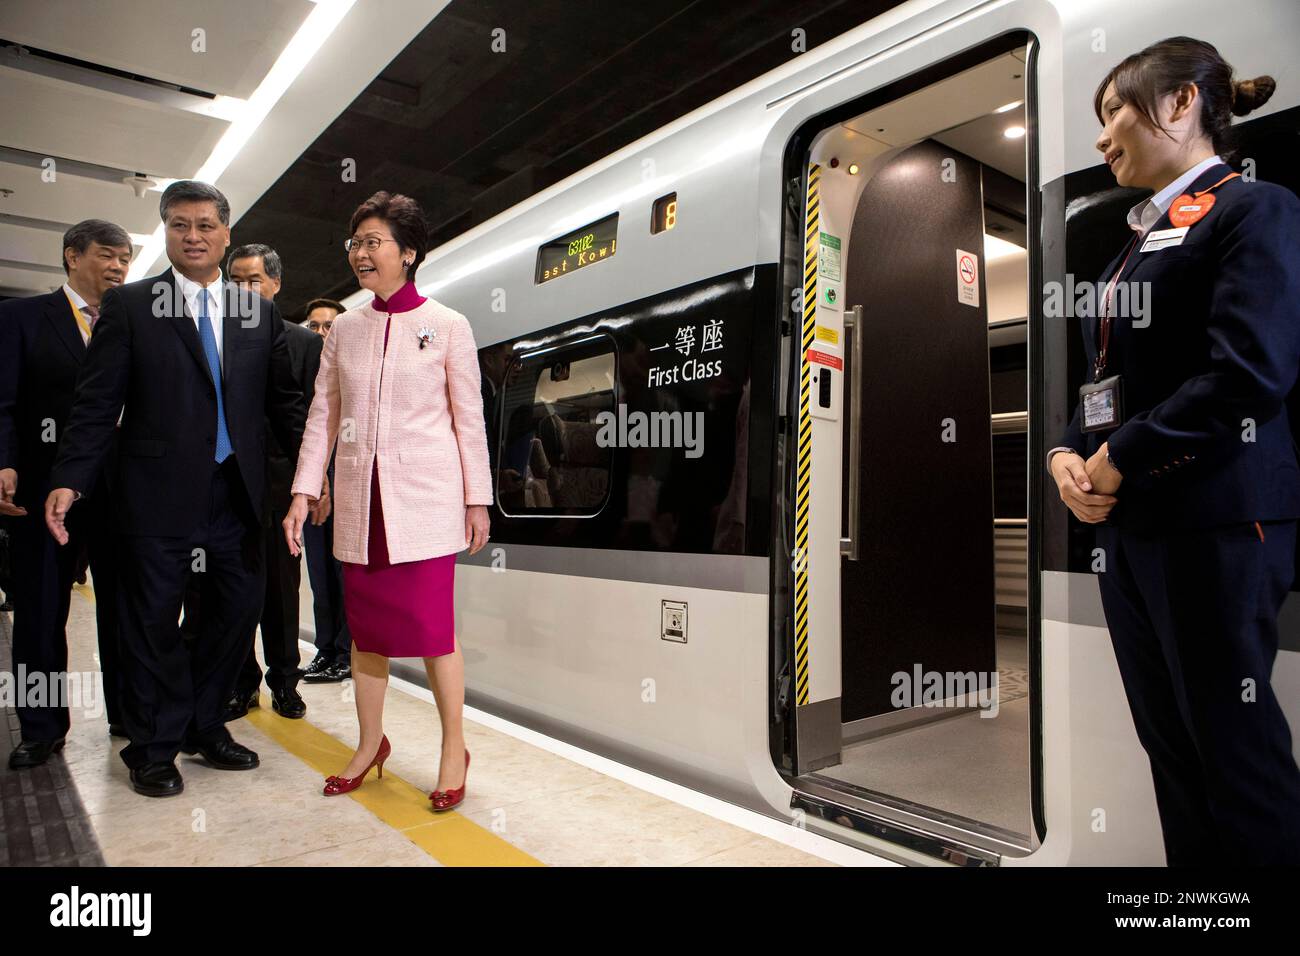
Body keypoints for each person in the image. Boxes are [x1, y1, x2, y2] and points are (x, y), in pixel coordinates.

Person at [1048, 37, 1300, 865]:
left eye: (1115, 109)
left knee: (1235, 759)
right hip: (1133, 532)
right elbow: (1108, 384)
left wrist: (1120, 457)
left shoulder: (1251, 210)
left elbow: (1249, 372)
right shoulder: (1131, 246)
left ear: (1183, 103)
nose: (1102, 135)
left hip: (1215, 522)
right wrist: (1066, 457)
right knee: (1173, 756)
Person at [45, 181, 307, 798]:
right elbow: (95, 403)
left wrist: (312, 474)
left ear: (225, 233)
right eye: (180, 226)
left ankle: (204, 723)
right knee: (152, 622)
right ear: (165, 231)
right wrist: (69, 478)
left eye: (206, 225)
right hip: (155, 496)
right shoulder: (133, 305)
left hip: (235, 496)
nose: (194, 237)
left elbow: (284, 403)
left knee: (234, 615)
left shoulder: (255, 311)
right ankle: (155, 746)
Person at [284, 191, 491, 810]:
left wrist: (476, 500)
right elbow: (323, 413)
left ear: (409, 252)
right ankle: (371, 742)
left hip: (425, 504)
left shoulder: (448, 325)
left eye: (374, 242)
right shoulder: (345, 329)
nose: (361, 253)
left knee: (434, 632)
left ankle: (454, 748)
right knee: (366, 635)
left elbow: (469, 420)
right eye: (356, 243)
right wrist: (303, 490)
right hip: (359, 503)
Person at [0, 220, 132, 767]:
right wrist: (4, 461)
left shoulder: (133, 322)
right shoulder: (21, 317)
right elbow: (3, 401)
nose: (119, 267)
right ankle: (42, 725)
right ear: (72, 257)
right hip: (41, 486)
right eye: (107, 255)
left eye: (125, 258)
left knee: (125, 608)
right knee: (39, 609)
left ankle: (129, 712)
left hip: (121, 490)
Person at [221, 244, 325, 720]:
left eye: (254, 281)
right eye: (235, 281)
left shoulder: (305, 344)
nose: (244, 291)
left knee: (282, 590)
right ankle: (242, 681)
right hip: (227, 486)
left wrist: (314, 482)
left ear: (276, 285)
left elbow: (311, 418)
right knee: (229, 588)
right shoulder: (216, 338)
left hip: (282, 488)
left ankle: (285, 681)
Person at [299, 298, 353, 684]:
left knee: (343, 574)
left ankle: (347, 652)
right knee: (319, 573)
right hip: (313, 484)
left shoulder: (353, 373)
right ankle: (325, 649)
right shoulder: (304, 375)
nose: (320, 333)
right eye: (314, 325)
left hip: (348, 485)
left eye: (329, 325)